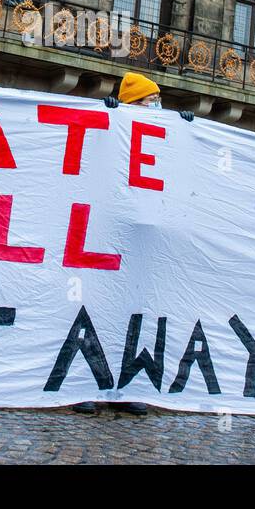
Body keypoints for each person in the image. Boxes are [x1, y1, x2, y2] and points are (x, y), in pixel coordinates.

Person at [72, 73, 193, 417]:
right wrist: (106, 115)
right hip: (103, 241)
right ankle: (81, 384)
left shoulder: (163, 133)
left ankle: (125, 388)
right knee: (93, 315)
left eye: (159, 101)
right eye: (151, 101)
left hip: (141, 246)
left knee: (134, 316)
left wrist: (187, 131)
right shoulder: (113, 126)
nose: (158, 107)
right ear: (133, 104)